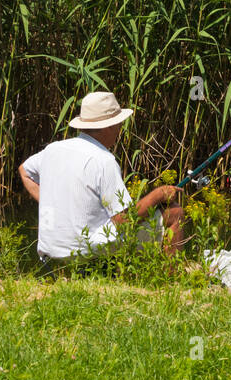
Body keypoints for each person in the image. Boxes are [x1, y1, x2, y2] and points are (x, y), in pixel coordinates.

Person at [18, 91, 184, 263]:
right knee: (174, 212)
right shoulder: (104, 160)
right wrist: (158, 196)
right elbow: (123, 220)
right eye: (119, 124)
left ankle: (113, 272)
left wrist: (50, 202)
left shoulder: (53, 149)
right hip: (85, 251)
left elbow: (24, 171)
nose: (120, 129)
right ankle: (170, 281)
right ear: (108, 127)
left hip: (50, 250)